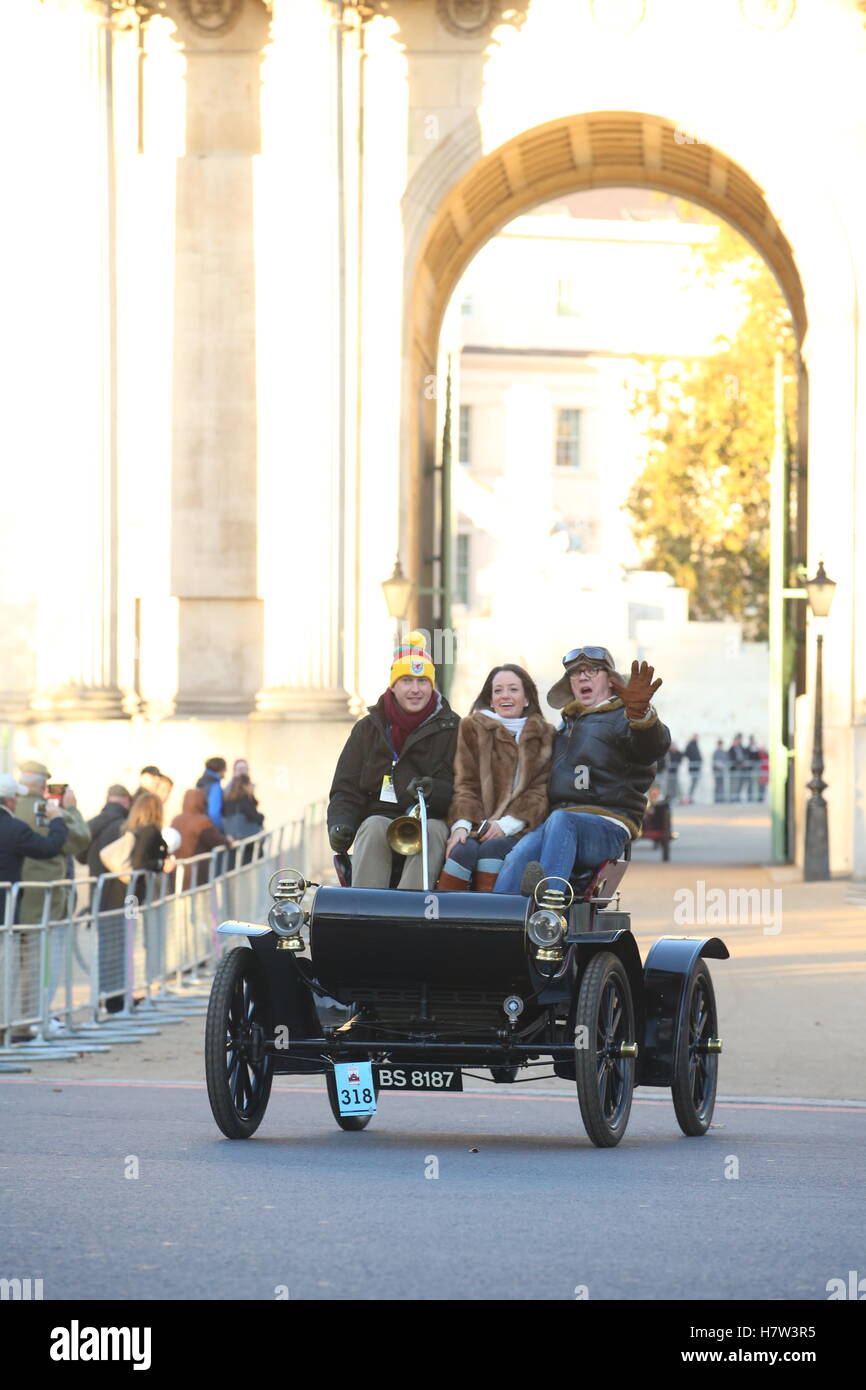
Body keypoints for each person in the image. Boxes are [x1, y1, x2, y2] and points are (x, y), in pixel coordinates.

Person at [495, 647, 670, 894]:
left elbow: (653, 747)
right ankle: (501, 922)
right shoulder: (564, 727)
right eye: (575, 673)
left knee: (561, 820)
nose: (582, 677)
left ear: (611, 681)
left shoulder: (625, 717)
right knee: (517, 855)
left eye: (592, 670)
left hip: (608, 825)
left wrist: (641, 716)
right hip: (557, 824)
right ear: (570, 686)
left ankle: (549, 905)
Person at [328, 631, 459, 889]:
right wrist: (340, 824)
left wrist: (437, 792)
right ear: (393, 685)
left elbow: (464, 789)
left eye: (422, 681)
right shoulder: (367, 729)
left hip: (430, 820)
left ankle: (409, 915)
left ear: (431, 685)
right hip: (379, 818)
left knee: (431, 832)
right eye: (407, 680)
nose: (415, 689)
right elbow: (346, 788)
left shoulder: (454, 728)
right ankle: (365, 912)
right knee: (373, 826)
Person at [436, 664, 553, 891]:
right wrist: (461, 825)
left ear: (527, 698)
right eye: (498, 690)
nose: (505, 696)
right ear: (490, 699)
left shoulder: (544, 734)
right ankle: (446, 917)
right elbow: (465, 784)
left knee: (493, 849)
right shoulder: (472, 727)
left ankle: (487, 918)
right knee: (462, 850)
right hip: (476, 824)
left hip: (519, 828)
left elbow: (540, 791)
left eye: (513, 689)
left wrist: (505, 825)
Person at [17, 761, 91, 925]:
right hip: (47, 904)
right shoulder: (53, 813)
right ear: (44, 784)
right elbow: (82, 838)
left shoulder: (10, 810)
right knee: (46, 949)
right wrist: (72, 809)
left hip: (14, 901)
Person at [171, 789, 232, 888]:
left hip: (178, 872)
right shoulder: (201, 822)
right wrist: (228, 840)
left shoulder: (176, 820)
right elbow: (217, 840)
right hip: (196, 873)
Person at [77, 784, 132, 882]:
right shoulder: (126, 826)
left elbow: (80, 856)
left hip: (97, 886)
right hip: (120, 887)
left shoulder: (91, 823)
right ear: (126, 800)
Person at [223, 766, 265, 861]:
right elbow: (253, 816)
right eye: (250, 784)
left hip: (234, 840)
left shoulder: (228, 798)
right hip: (248, 842)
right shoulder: (244, 799)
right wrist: (262, 816)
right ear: (246, 785)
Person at [196, 757, 227, 831]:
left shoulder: (201, 782)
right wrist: (222, 829)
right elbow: (214, 813)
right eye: (225, 768)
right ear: (220, 769)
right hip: (211, 829)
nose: (226, 771)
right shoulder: (215, 785)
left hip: (200, 826)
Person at [684, 734, 702, 803]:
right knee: (692, 783)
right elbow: (686, 754)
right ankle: (689, 797)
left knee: (694, 783)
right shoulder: (690, 745)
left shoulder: (695, 745)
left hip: (697, 768)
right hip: (693, 768)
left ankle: (691, 797)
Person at [728, 734, 746, 803]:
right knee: (734, 784)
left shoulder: (741, 748)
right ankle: (733, 798)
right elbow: (731, 759)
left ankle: (738, 797)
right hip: (734, 769)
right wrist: (738, 764)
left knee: (739, 784)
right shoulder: (731, 749)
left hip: (741, 769)